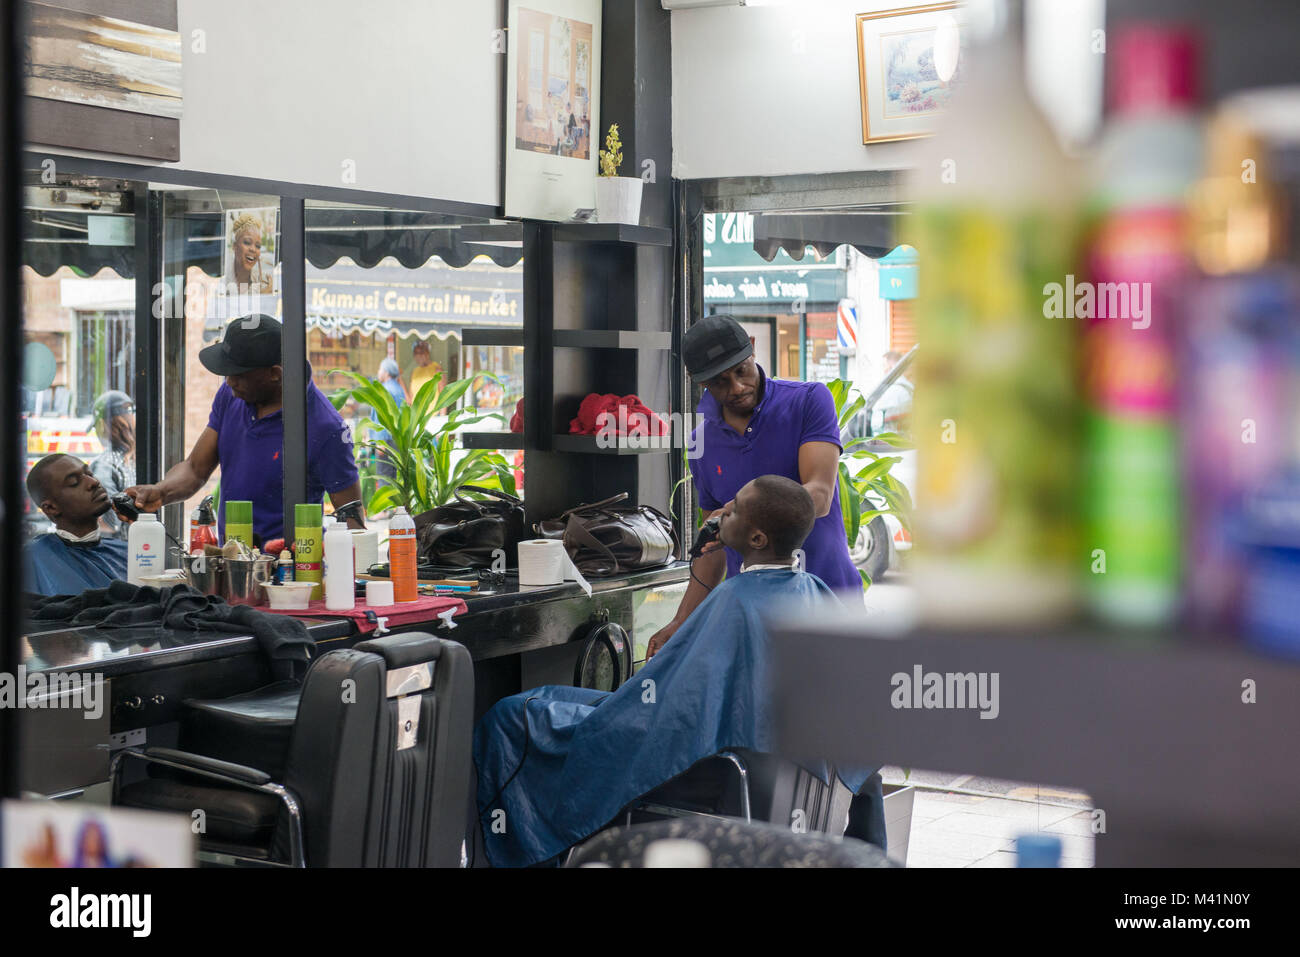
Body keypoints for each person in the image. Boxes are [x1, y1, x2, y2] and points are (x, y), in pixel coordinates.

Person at [472, 476, 882, 867]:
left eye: (734, 511)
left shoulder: (736, 600)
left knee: (513, 715)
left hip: (704, 764)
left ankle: (518, 852)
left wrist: (632, 702)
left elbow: (671, 711)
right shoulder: (811, 590)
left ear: (757, 539)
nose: (719, 516)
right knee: (554, 699)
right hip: (750, 756)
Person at [647, 314, 861, 659]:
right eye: (718, 382)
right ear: (698, 382)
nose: (736, 388)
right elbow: (715, 543)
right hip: (754, 619)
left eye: (741, 371)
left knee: (838, 710)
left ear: (754, 348)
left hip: (832, 603)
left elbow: (819, 496)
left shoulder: (808, 401)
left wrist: (739, 509)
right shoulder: (700, 442)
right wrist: (681, 620)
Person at [125, 315, 361, 545]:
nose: (228, 382)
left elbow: (353, 522)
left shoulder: (325, 427)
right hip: (232, 566)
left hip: (290, 575)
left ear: (275, 374)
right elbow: (195, 469)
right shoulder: (231, 395)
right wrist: (160, 491)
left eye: (238, 375)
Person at [23, 453, 129, 595]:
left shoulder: (127, 552)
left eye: (89, 473)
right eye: (74, 482)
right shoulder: (30, 560)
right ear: (51, 508)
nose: (93, 482)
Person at [89, 390, 136, 539]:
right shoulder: (138, 459)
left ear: (102, 425)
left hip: (116, 553)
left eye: (96, 427)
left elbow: (109, 525)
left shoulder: (103, 465)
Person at [222, 213, 273, 295]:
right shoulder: (223, 277)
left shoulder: (263, 282)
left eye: (258, 246)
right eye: (247, 242)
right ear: (235, 246)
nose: (253, 249)